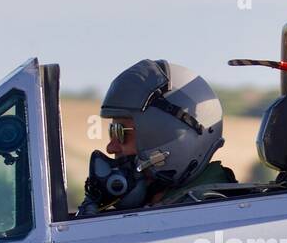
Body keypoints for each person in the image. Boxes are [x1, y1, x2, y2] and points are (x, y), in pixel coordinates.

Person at [77, 59, 235, 215]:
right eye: (112, 131)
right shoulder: (165, 210)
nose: (111, 147)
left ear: (166, 136)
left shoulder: (204, 214)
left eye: (121, 132)